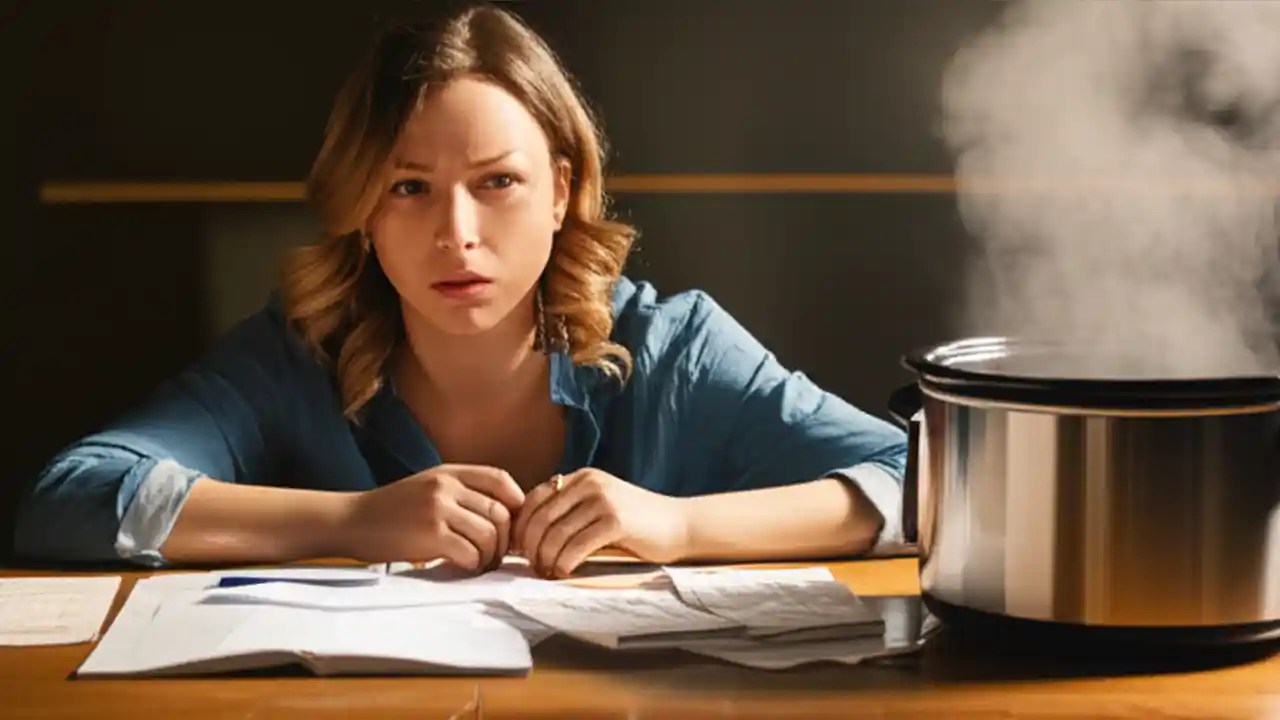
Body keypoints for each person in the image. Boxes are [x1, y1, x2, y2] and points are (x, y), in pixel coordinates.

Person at [13, 4, 907, 579]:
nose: (457, 234)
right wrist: (356, 522)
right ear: (365, 209)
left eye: (497, 183)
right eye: (408, 189)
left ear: (561, 192)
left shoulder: (676, 349)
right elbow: (72, 498)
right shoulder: (296, 359)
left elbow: (930, 482)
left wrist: (676, 526)